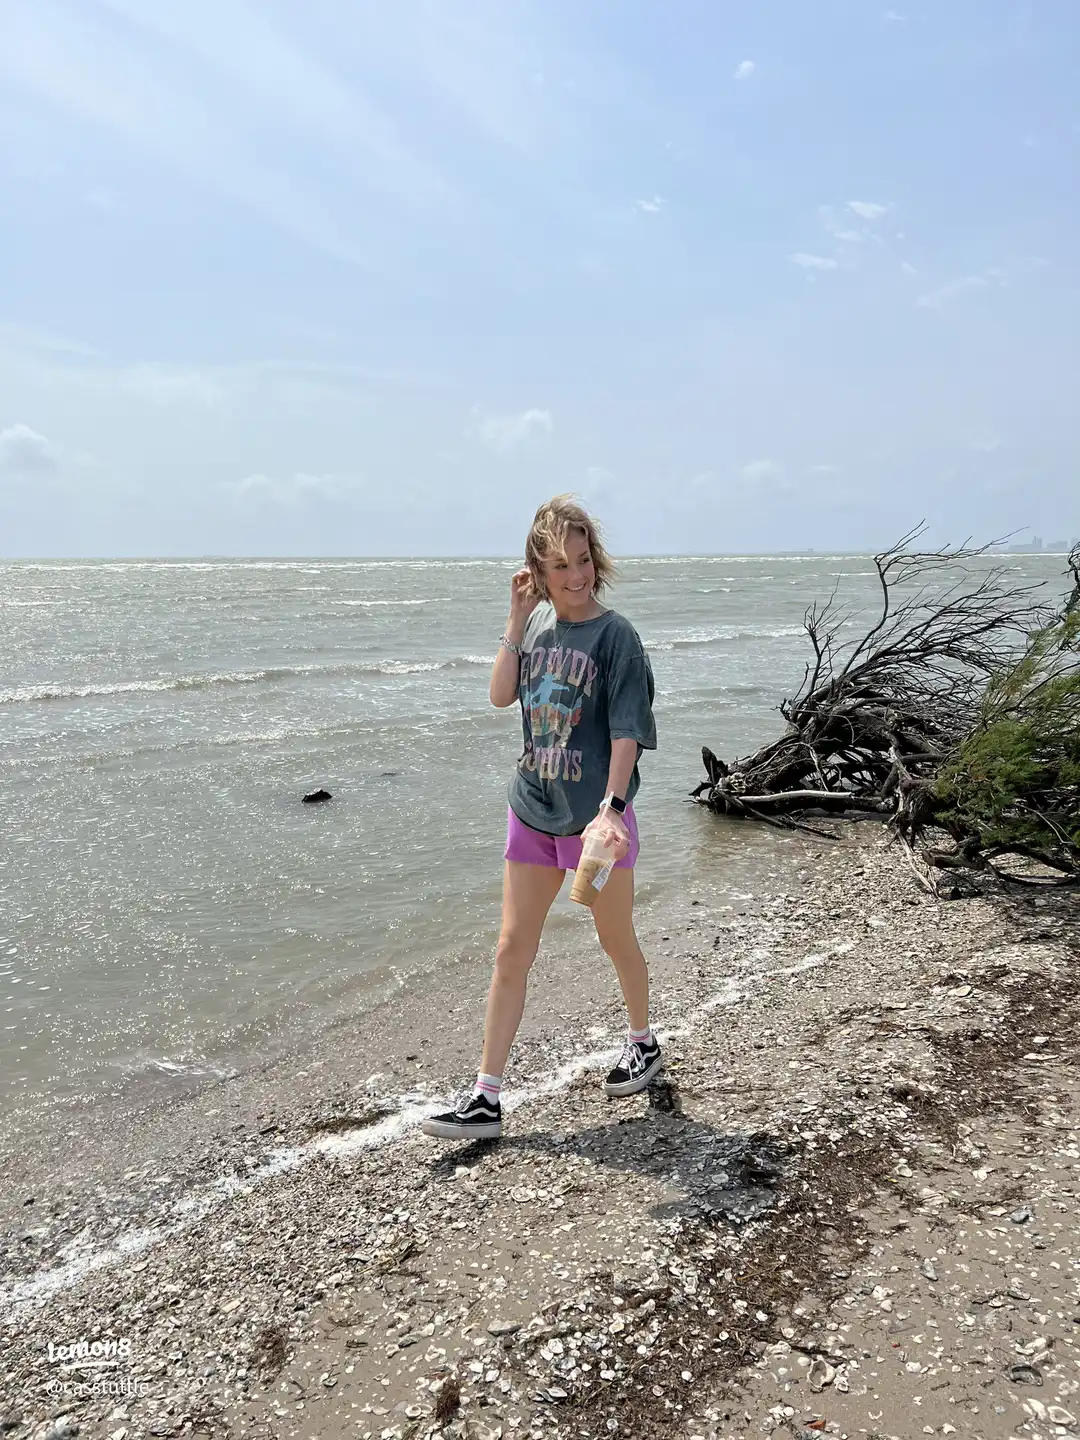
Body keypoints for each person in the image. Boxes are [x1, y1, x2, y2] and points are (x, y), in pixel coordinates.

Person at [421, 494, 660, 1141]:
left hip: (595, 827)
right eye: (561, 567)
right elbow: (502, 695)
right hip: (532, 808)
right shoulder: (536, 630)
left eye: (583, 561)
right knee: (510, 949)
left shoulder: (618, 638)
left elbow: (627, 734)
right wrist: (515, 616)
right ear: (539, 572)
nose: (577, 577)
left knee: (615, 939)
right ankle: (485, 1098)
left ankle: (643, 1040)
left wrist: (612, 810)